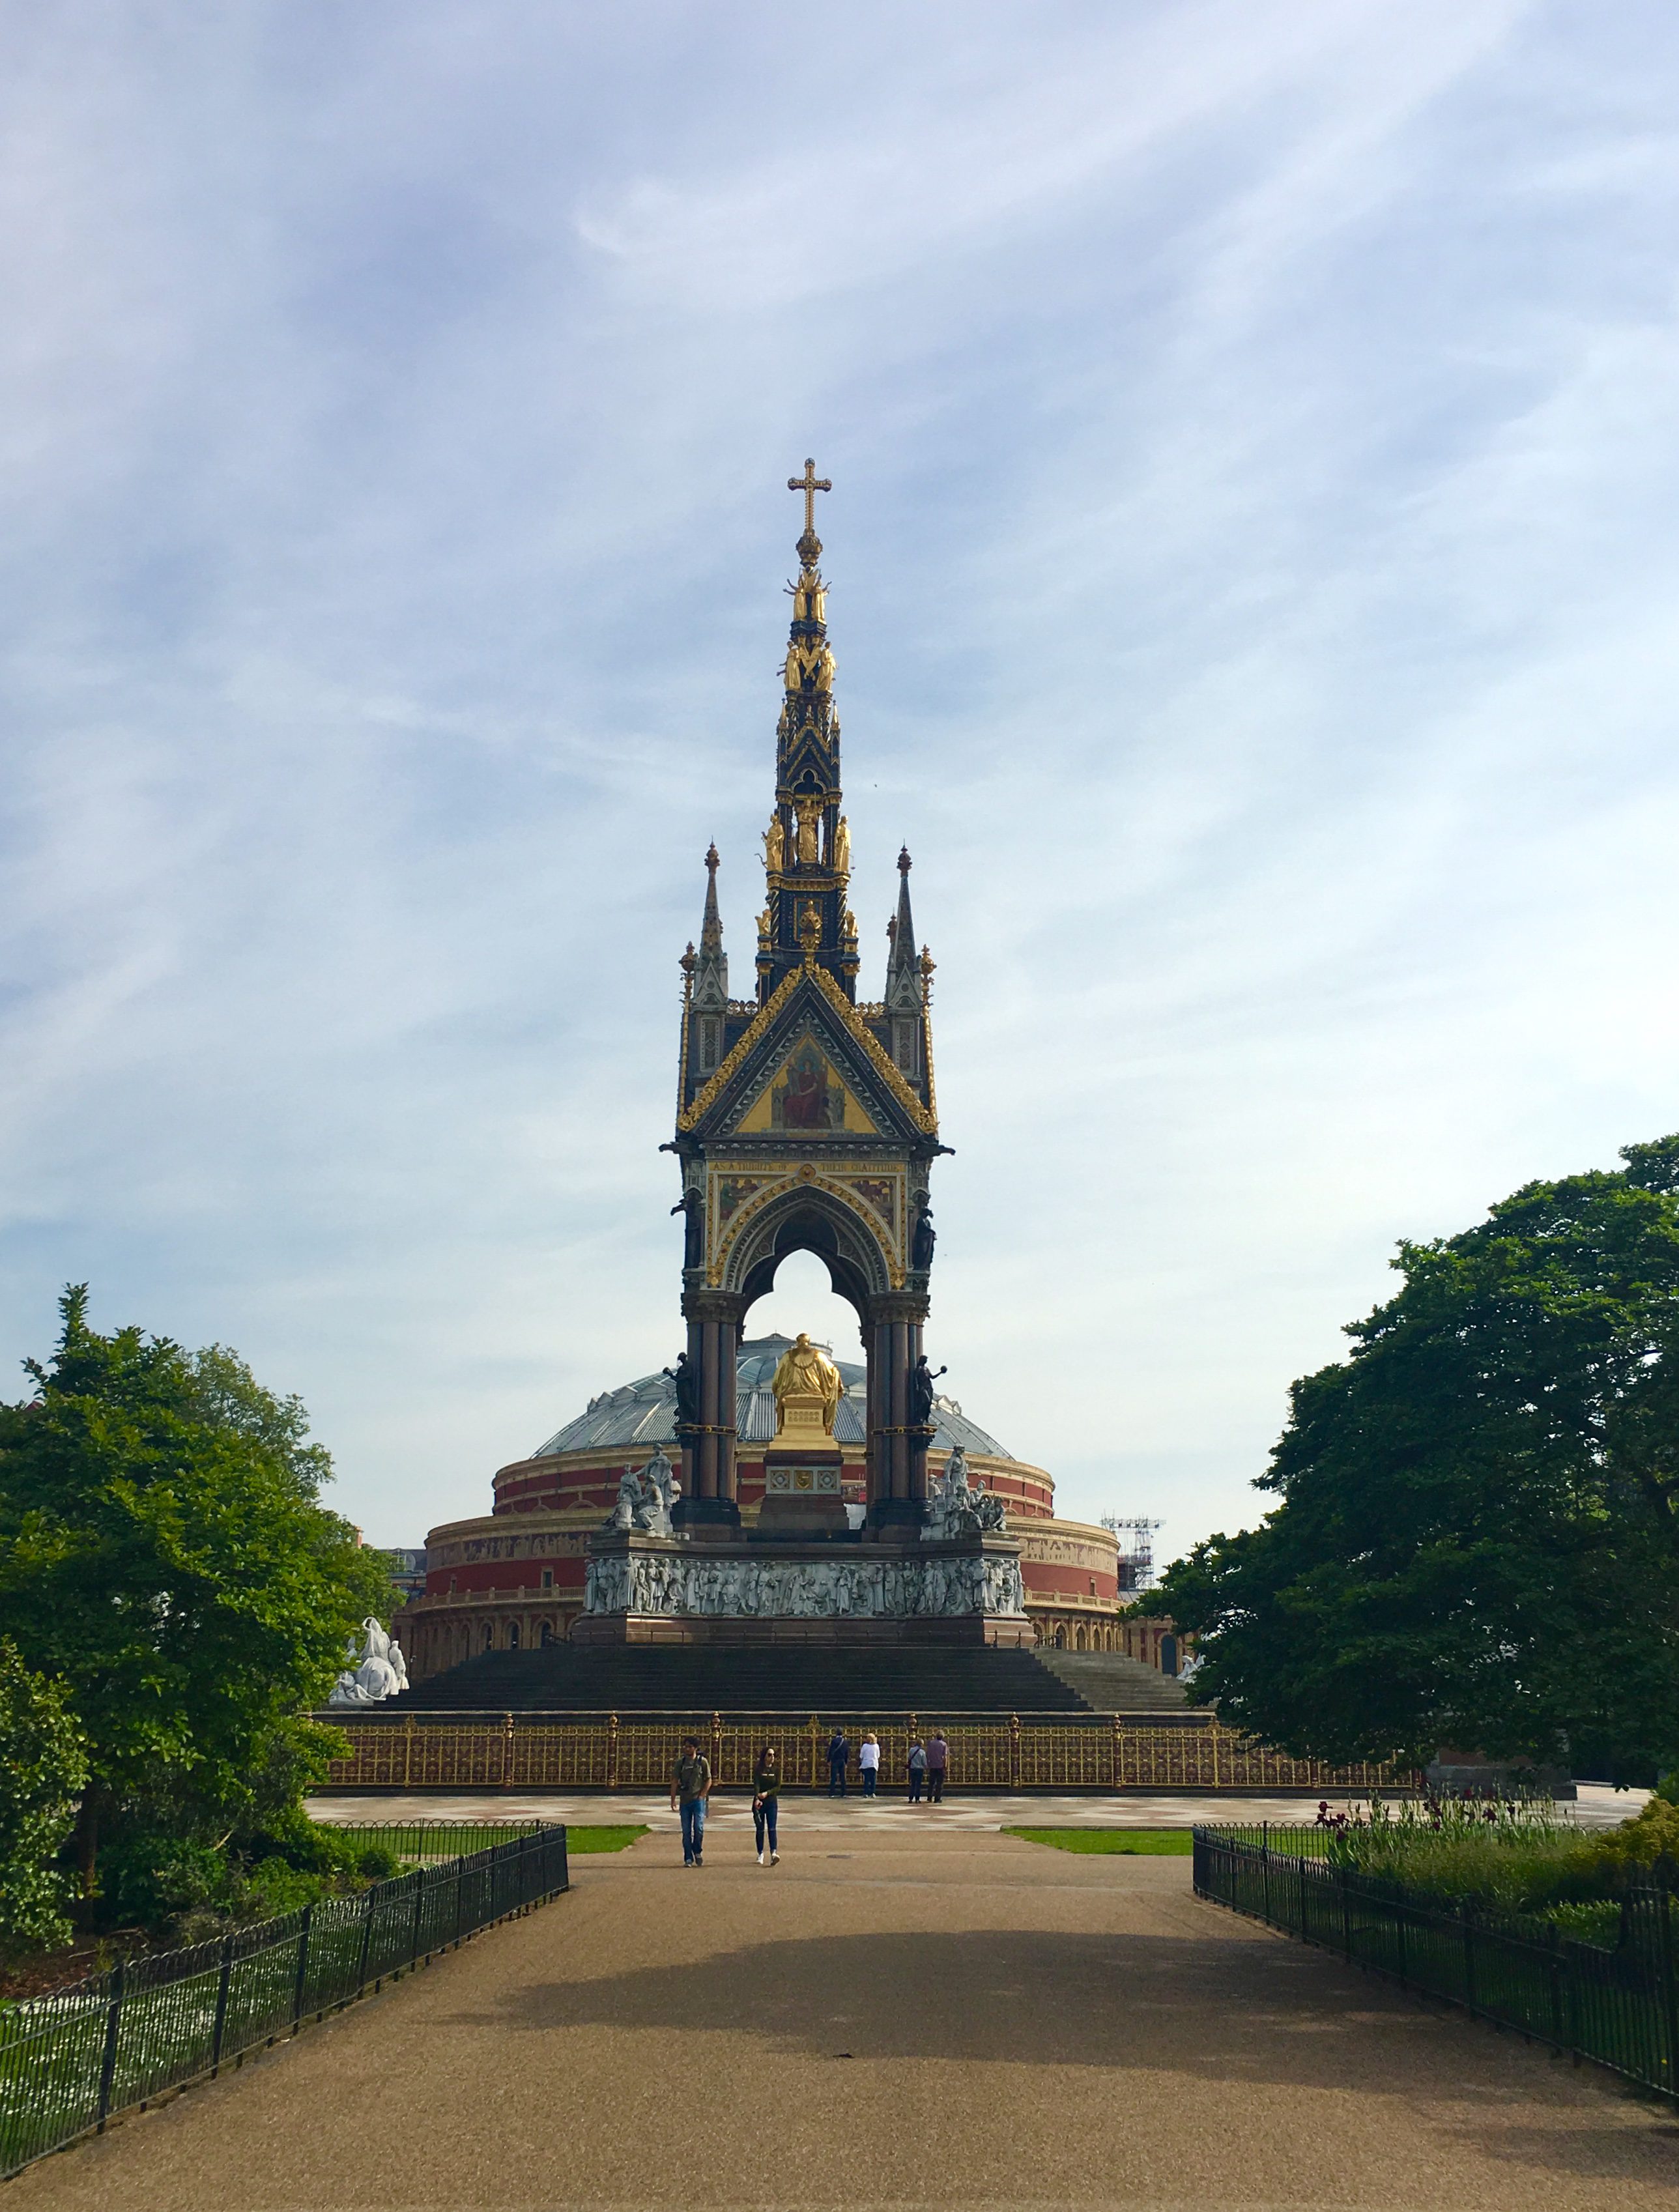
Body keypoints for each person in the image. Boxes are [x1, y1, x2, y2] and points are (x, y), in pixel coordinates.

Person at [670, 1735, 711, 1865]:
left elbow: (709, 1780)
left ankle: (697, 1850)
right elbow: (675, 1781)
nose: (687, 1749)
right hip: (685, 1800)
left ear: (695, 1748)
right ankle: (688, 1857)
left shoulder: (702, 1762)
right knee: (686, 1831)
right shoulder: (681, 1763)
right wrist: (673, 1800)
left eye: (690, 1747)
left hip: (698, 1800)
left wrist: (702, 1795)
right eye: (686, 1746)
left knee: (699, 1828)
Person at [753, 1745, 781, 1865]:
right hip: (760, 1802)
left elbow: (778, 1787)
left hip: (771, 1802)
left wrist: (767, 1793)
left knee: (772, 1828)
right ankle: (760, 1853)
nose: (772, 1757)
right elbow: (757, 1785)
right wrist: (757, 1797)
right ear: (764, 1756)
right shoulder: (759, 1770)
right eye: (770, 1755)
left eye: (774, 1755)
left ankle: (773, 1853)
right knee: (760, 1828)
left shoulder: (776, 1770)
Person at [925, 1729, 949, 1804]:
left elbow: (928, 1754)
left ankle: (929, 1797)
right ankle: (937, 1798)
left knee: (931, 1782)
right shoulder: (944, 1744)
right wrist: (946, 1765)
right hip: (940, 1765)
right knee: (939, 1783)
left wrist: (928, 1763)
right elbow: (945, 1756)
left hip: (932, 1765)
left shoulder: (931, 1743)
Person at [827, 1727, 851, 1797]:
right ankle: (843, 1793)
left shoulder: (834, 1741)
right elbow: (847, 1753)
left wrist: (829, 1760)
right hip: (842, 1760)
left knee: (833, 1777)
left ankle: (832, 1793)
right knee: (842, 1778)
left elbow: (831, 1751)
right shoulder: (845, 1741)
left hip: (835, 1760)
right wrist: (846, 1762)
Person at [858, 1732, 881, 1797]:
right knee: (873, 1779)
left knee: (866, 1779)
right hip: (873, 1764)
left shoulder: (865, 1746)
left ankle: (866, 1793)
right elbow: (878, 1756)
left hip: (866, 1764)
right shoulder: (876, 1746)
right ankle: (873, 1792)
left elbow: (861, 1755)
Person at [906, 1736, 926, 1803]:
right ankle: (917, 1799)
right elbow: (924, 1762)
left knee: (912, 1784)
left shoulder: (911, 1750)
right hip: (919, 1769)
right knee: (918, 1785)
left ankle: (911, 1798)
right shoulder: (922, 1752)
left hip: (912, 1768)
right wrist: (926, 1766)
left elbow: (909, 1758)